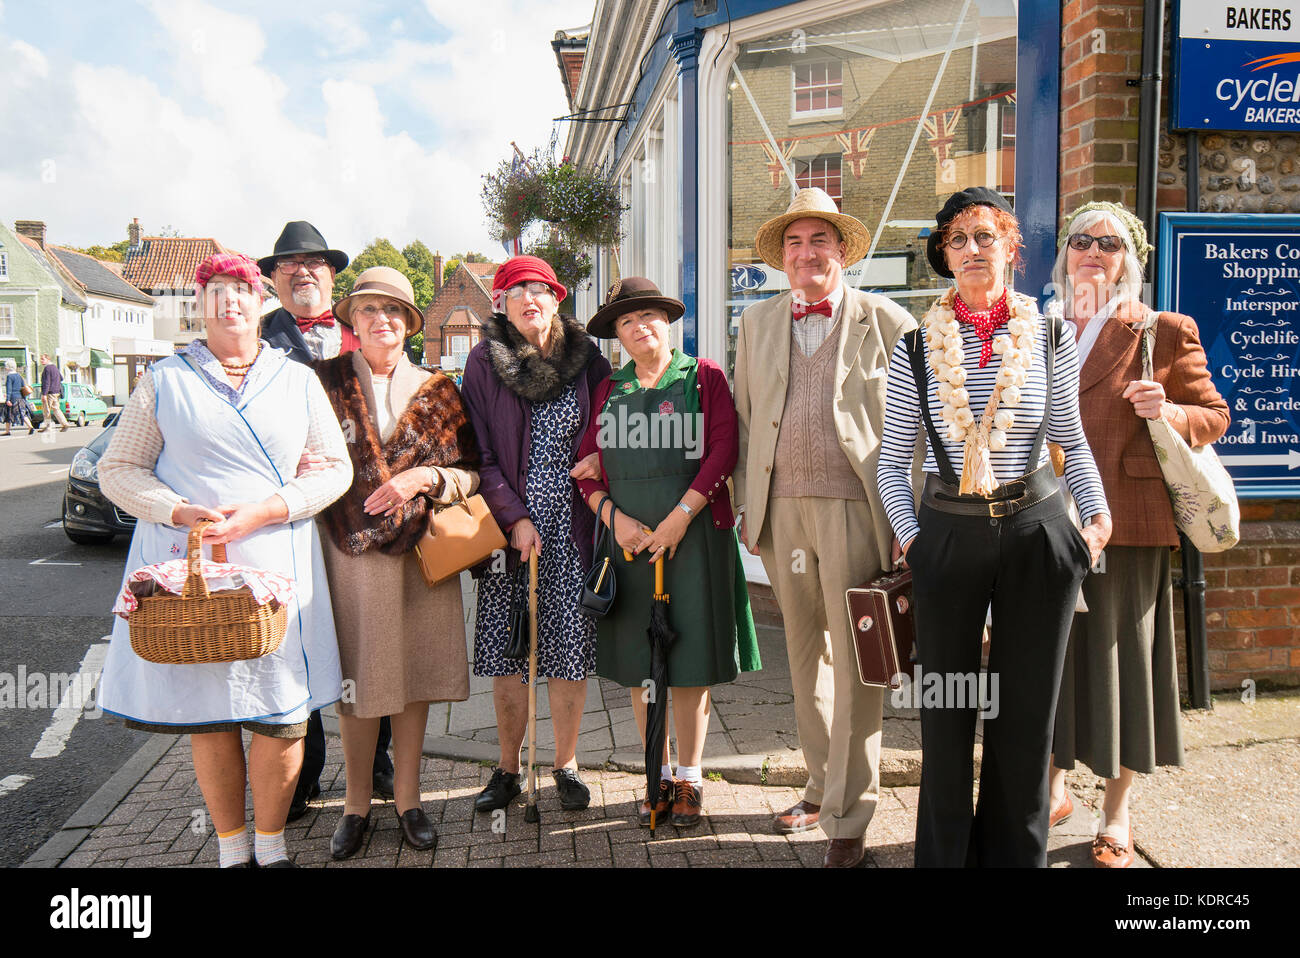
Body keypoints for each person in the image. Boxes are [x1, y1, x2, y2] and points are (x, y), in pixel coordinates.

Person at [877, 187, 1112, 867]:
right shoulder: (916, 348)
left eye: (986, 236)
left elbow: (1069, 436)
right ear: (945, 259)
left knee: (1026, 715)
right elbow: (895, 461)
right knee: (945, 715)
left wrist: (1093, 518)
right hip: (947, 534)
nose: (973, 249)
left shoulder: (1050, 335)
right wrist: (916, 542)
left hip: (1039, 530)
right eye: (958, 240)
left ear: (1014, 248)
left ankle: (1017, 857)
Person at [97, 252, 352, 867]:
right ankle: (231, 849)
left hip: (276, 563)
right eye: (215, 291)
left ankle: (271, 844)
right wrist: (178, 510)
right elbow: (118, 468)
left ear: (262, 302)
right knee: (211, 716)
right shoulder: (164, 379)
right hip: (195, 574)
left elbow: (332, 468)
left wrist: (267, 509)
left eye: (241, 290)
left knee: (282, 714)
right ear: (201, 305)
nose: (230, 302)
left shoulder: (297, 380)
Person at [733, 188, 916, 868]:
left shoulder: (888, 321)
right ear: (783, 256)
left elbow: (917, 431)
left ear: (842, 251)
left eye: (819, 241)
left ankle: (848, 818)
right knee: (806, 656)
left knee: (862, 666)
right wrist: (748, 505)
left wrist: (906, 518)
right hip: (783, 514)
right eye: (794, 243)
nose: (806, 253)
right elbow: (748, 421)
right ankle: (818, 785)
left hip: (855, 510)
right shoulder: (756, 322)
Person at [1046, 202, 1229, 868]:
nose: (1093, 252)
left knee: (1121, 668)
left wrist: (1172, 411)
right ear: (1066, 254)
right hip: (1044, 522)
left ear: (1133, 259)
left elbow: (1216, 415)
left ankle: (1116, 813)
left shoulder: (1162, 329)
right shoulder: (1039, 328)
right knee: (1051, 664)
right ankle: (1052, 789)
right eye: (1081, 241)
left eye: (1110, 243)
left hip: (1126, 521)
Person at [571, 277, 761, 829]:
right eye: (627, 321)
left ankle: (691, 777)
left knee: (690, 661)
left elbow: (724, 449)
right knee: (641, 663)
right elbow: (586, 471)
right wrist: (616, 520)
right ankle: (654, 771)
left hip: (695, 537)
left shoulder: (704, 378)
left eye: (649, 315)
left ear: (667, 322)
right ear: (617, 336)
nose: (639, 327)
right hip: (629, 547)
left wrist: (680, 517)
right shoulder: (610, 392)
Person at [312, 267, 479, 859]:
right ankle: (356, 805)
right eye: (367, 309)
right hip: (348, 555)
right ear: (351, 320)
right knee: (359, 683)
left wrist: (425, 476)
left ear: (410, 322)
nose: (380, 319)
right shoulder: (323, 383)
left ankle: (408, 799)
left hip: (422, 558)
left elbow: (471, 471)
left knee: (413, 681)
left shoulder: (438, 390)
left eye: (392, 310)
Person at [459, 255, 611, 813]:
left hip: (574, 529)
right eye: (515, 290)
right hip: (508, 532)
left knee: (568, 653)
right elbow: (479, 451)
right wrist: (514, 518)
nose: (528, 299)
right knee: (508, 652)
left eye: (538, 290)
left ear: (556, 297)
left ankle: (565, 764)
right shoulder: (483, 361)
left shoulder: (588, 359)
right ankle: (506, 770)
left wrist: (596, 455)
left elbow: (603, 422)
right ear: (501, 302)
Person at [256, 220, 391, 818]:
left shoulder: (361, 338)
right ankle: (303, 771)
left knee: (371, 640)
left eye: (315, 262)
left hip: (362, 518)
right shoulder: (254, 343)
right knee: (297, 643)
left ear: (332, 276)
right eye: (290, 264)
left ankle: (379, 763)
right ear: (275, 279)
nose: (303, 271)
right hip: (290, 520)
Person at [38, 355, 70, 432]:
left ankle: (48, 427)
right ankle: (65, 424)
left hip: (50, 392)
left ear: (48, 359)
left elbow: (47, 382)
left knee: (46, 410)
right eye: (41, 359)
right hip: (56, 391)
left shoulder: (47, 368)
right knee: (56, 409)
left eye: (43, 359)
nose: (41, 361)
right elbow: (61, 378)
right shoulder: (55, 367)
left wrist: (44, 394)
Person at [4, 359, 34, 436]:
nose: (5, 368)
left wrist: (8, 399)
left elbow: (9, 389)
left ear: (8, 367)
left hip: (13, 398)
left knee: (9, 413)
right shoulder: (18, 375)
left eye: (6, 366)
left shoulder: (9, 376)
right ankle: (30, 426)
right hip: (20, 397)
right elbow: (22, 386)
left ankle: (8, 431)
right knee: (22, 412)